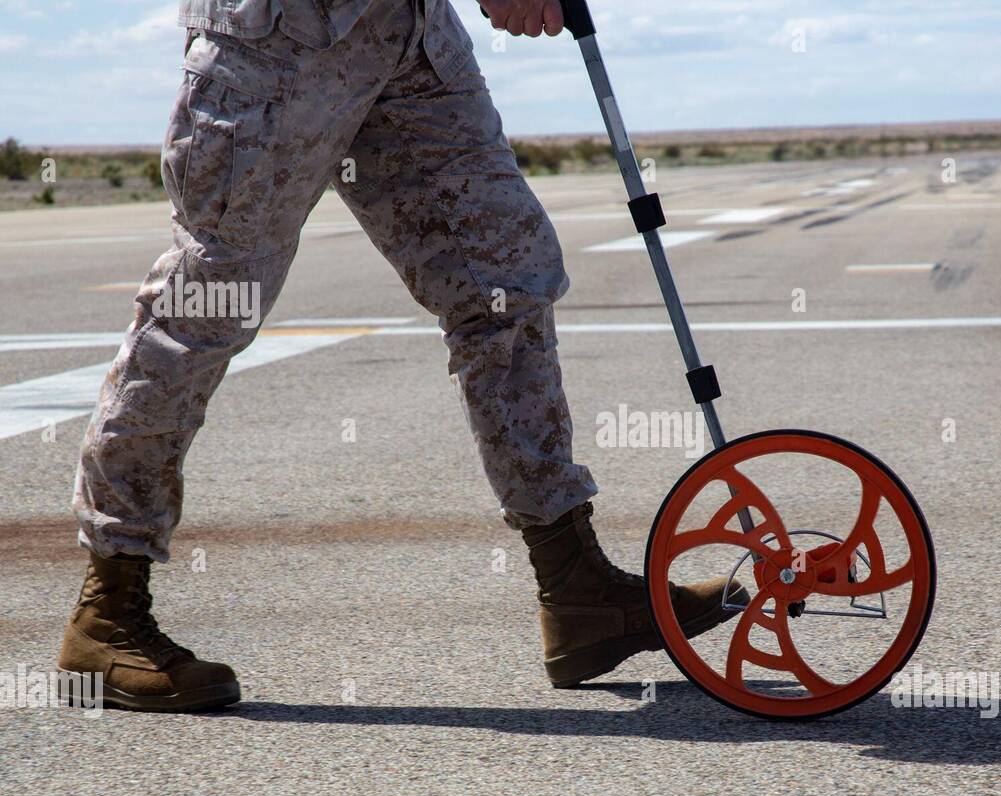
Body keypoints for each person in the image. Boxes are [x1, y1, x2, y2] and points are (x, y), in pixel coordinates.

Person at [60, 0, 745, 712]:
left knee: (504, 279)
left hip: (408, 35)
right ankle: (108, 608)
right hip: (282, 39)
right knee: (207, 304)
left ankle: (575, 585)